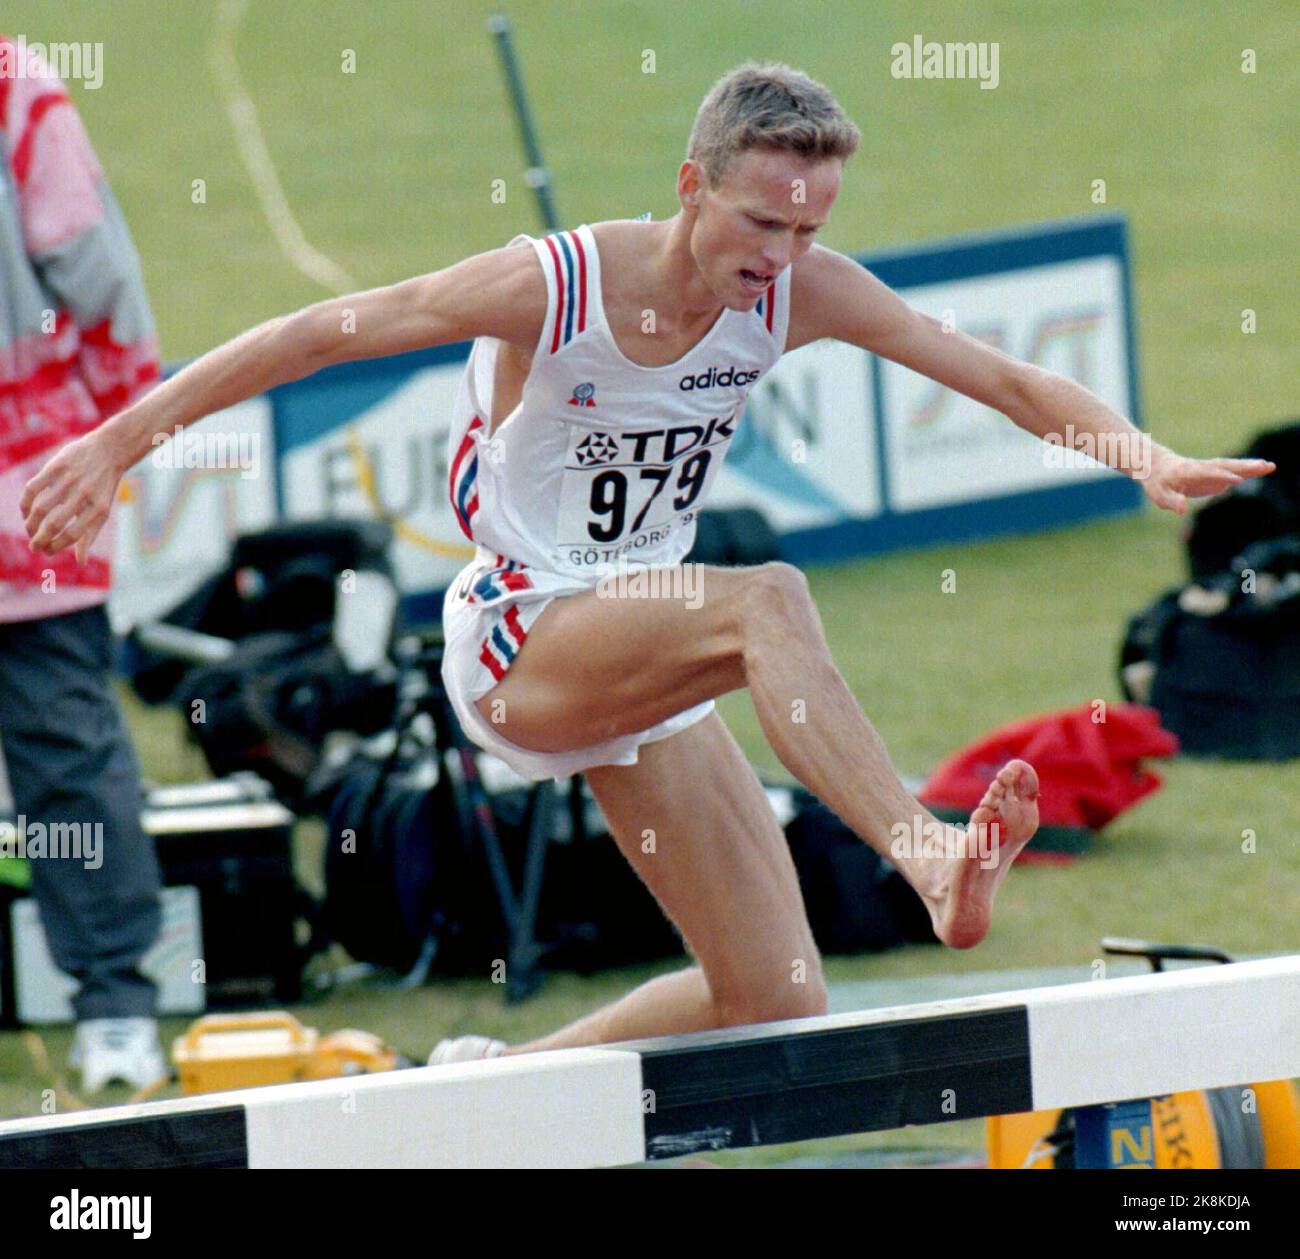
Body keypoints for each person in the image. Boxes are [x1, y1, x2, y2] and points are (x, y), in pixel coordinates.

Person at [22, 63, 1274, 1065]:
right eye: (757, 220)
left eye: (806, 226)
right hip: (521, 637)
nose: (778, 255)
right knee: (766, 596)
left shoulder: (797, 290)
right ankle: (925, 850)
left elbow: (994, 374)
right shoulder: (556, 285)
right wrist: (116, 441)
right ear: (689, 184)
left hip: (639, 648)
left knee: (775, 997)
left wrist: (1139, 456)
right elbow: (312, 336)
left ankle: (484, 1093)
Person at [1, 34, 166, 1089]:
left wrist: (110, 430)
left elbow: (92, 273)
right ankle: (114, 1008)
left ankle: (114, 1002)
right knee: (67, 757)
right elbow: (102, 278)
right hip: (34, 485)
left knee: (66, 752)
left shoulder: (17, 87)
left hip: (27, 489)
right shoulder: (18, 84)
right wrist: (117, 420)